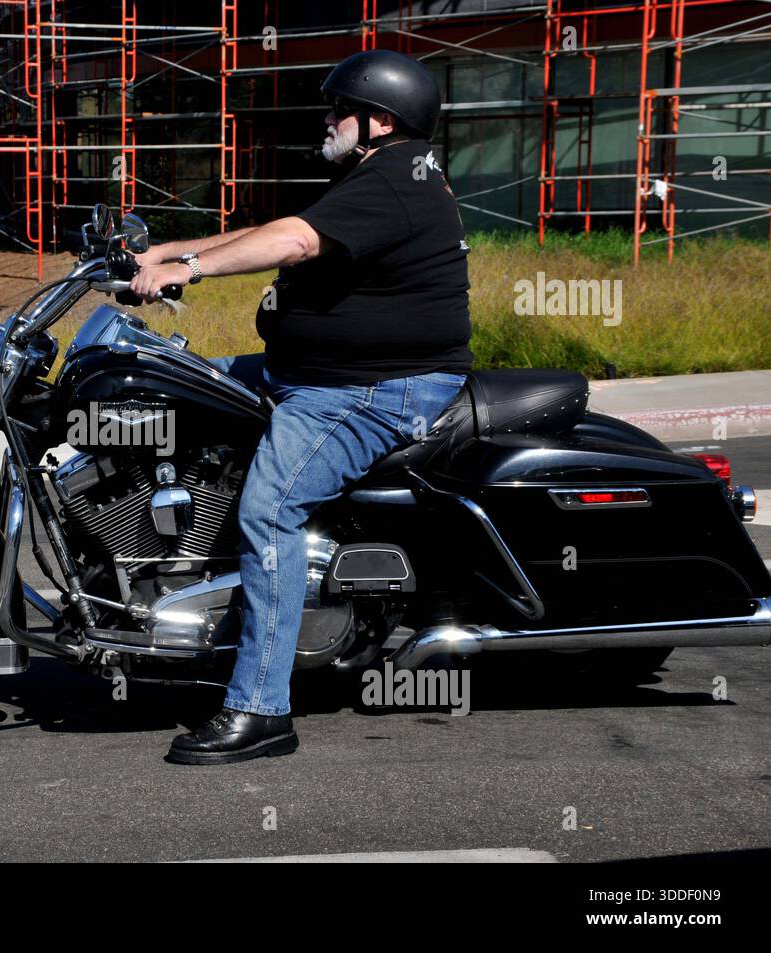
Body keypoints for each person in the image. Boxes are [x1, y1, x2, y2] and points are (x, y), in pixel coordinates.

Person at [127, 49, 474, 765]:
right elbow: (278, 233)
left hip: (372, 390)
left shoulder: (395, 182)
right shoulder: (377, 174)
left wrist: (186, 270)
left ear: (380, 119)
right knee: (168, 385)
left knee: (269, 510)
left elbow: (292, 240)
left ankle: (260, 709)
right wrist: (167, 251)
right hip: (315, 373)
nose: (327, 118)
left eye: (338, 108)